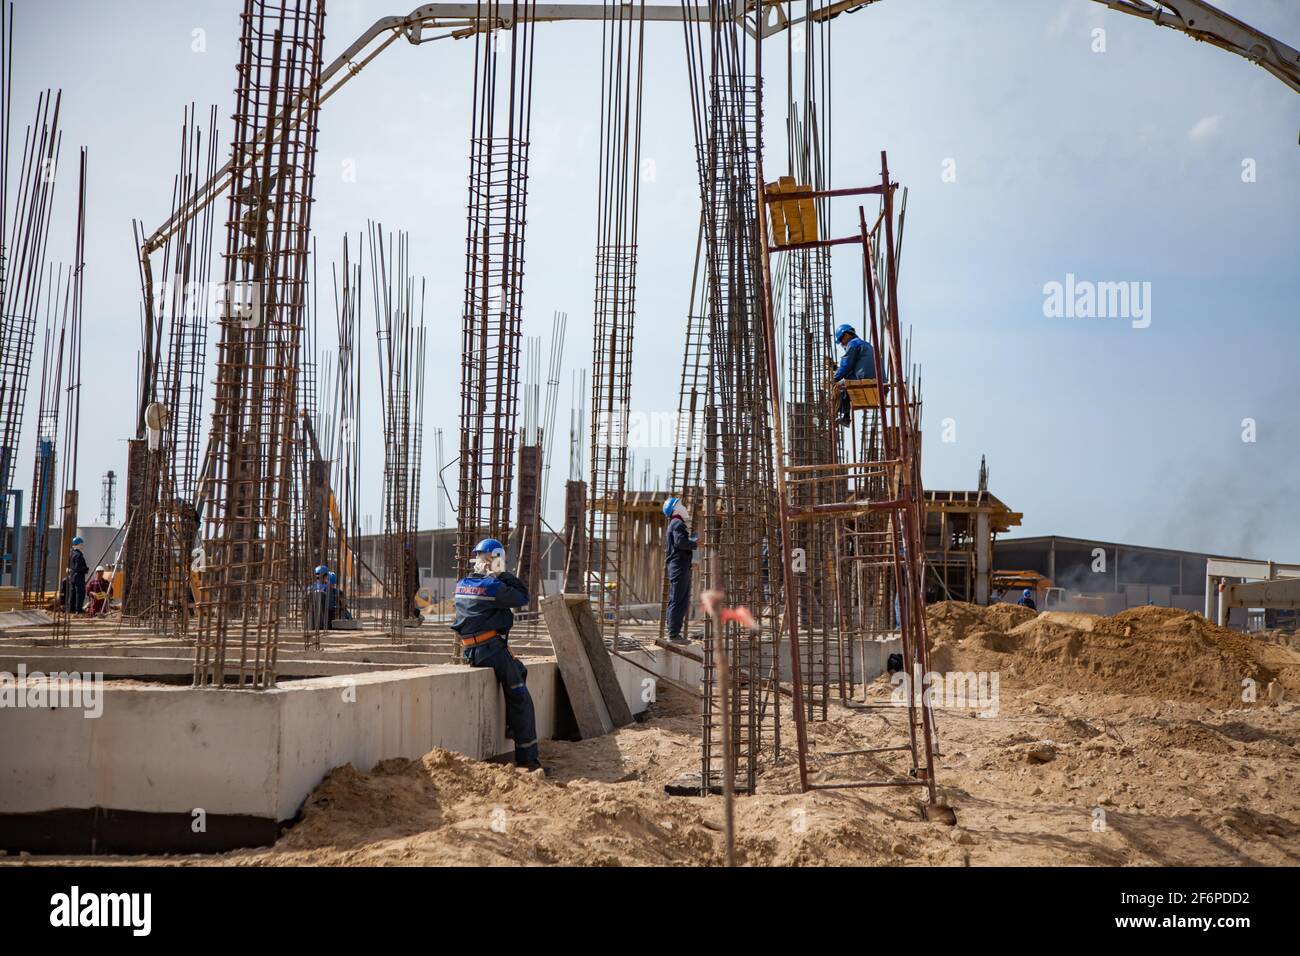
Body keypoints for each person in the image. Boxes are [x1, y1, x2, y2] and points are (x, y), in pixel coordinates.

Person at [450, 538, 542, 771]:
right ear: (496, 560)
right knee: (522, 700)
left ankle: (513, 726)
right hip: (490, 649)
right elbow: (523, 597)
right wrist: (502, 574)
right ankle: (527, 761)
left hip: (472, 649)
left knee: (520, 670)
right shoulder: (492, 587)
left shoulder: (462, 583)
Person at [662, 497, 698, 645]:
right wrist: (695, 543)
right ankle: (673, 634)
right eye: (681, 505)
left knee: (678, 599)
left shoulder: (675, 524)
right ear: (675, 509)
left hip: (680, 565)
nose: (684, 508)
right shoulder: (677, 524)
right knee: (678, 600)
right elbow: (680, 543)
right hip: (678, 567)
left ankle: (673, 630)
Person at [832, 323, 877, 427]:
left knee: (840, 386)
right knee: (846, 381)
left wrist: (834, 379)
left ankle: (844, 417)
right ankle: (845, 417)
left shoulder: (853, 344)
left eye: (841, 341)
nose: (842, 344)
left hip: (864, 378)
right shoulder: (867, 345)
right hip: (877, 379)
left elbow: (846, 365)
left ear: (847, 335)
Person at [307, 565, 334, 629]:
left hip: (311, 624)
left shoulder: (310, 588)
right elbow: (330, 606)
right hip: (323, 624)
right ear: (325, 576)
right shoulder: (327, 587)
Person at [66, 536, 89, 613]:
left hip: (72, 577)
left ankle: (71, 608)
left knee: (73, 593)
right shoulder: (79, 555)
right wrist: (85, 569)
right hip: (78, 577)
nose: (83, 546)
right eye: (82, 544)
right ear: (79, 545)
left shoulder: (72, 553)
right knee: (80, 593)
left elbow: (69, 566)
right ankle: (78, 609)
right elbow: (78, 567)